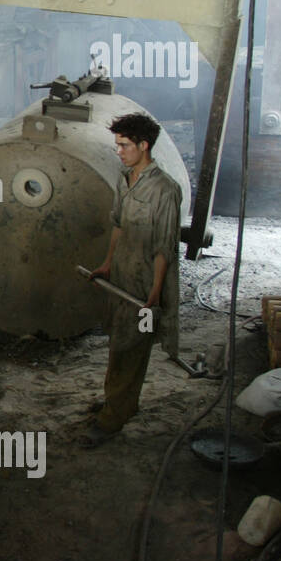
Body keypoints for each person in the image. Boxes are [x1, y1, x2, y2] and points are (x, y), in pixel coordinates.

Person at [83, 112, 183, 447]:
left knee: (131, 349)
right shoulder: (125, 179)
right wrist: (107, 264)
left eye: (125, 145)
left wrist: (154, 293)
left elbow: (164, 247)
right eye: (117, 145)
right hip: (122, 274)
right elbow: (119, 225)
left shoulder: (165, 190)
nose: (119, 151)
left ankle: (112, 420)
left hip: (144, 282)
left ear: (144, 145)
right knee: (119, 345)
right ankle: (119, 401)